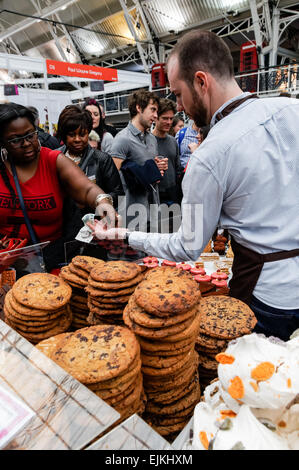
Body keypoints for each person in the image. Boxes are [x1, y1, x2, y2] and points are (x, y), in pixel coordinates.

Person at [88, 29, 299, 342]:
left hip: (267, 300)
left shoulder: (211, 155)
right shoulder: (292, 111)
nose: (179, 106)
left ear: (202, 82)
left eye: (177, 93)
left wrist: (124, 234)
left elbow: (186, 247)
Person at [0, 103, 118, 271]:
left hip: (52, 259)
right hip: (6, 264)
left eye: (30, 135)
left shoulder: (53, 160)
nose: (26, 143)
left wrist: (103, 202)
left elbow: (87, 189)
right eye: (16, 140)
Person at [110, 89, 163, 232]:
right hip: (131, 214)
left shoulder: (152, 139)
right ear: (139, 108)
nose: (156, 116)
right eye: (152, 110)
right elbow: (113, 181)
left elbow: (152, 171)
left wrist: (159, 169)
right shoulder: (122, 139)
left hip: (153, 210)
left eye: (157, 111)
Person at [56, 105, 124, 208]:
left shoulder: (102, 160)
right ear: (64, 135)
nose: (77, 139)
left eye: (82, 134)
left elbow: (118, 194)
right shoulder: (55, 158)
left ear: (88, 133)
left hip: (94, 221)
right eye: (72, 135)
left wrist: (96, 200)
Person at [152, 98, 183, 210]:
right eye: (165, 118)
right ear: (156, 118)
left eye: (171, 118)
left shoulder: (173, 141)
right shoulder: (147, 141)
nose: (169, 122)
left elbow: (177, 167)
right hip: (155, 194)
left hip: (173, 193)